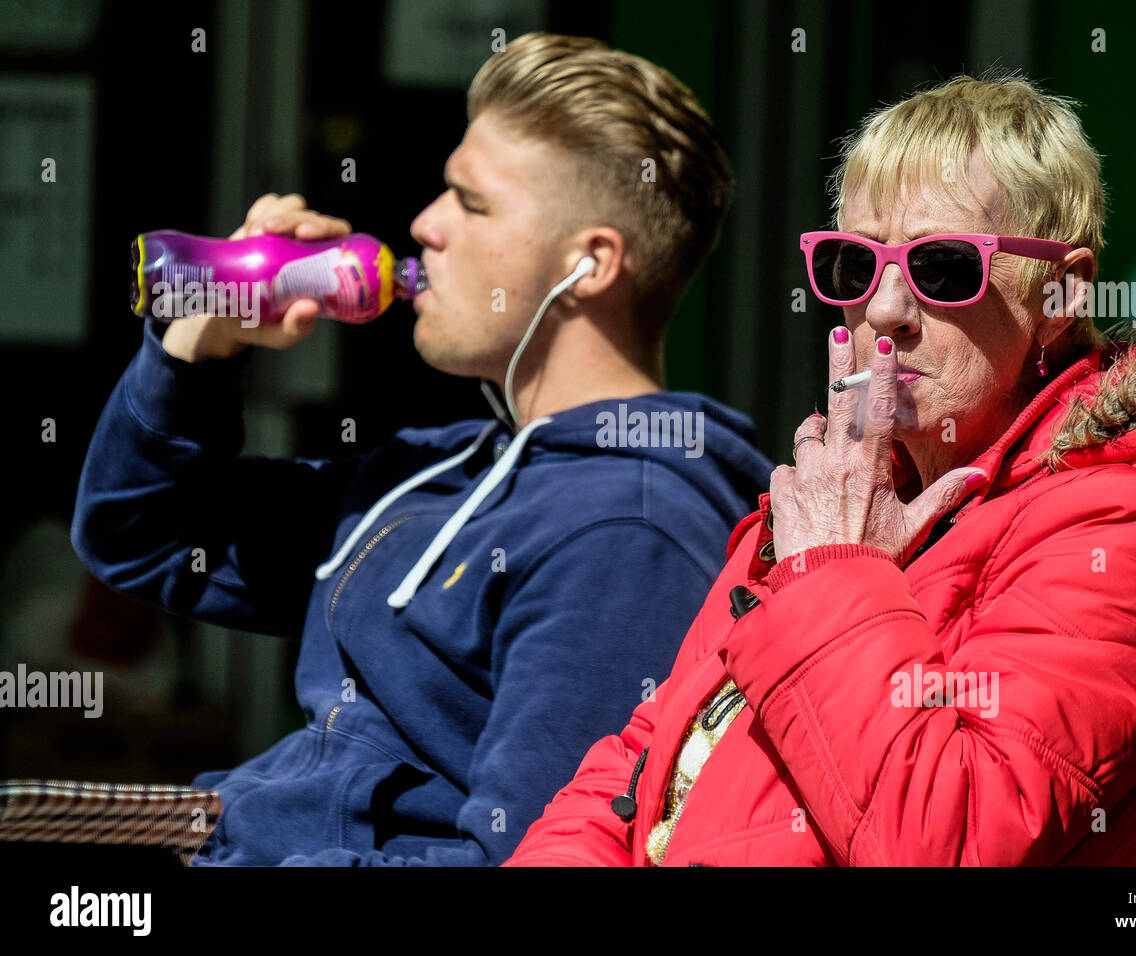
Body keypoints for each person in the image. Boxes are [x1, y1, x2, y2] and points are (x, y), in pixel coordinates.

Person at [504, 73, 1136, 867]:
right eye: (853, 265)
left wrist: (835, 573)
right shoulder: (844, 491)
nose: (883, 309)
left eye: (942, 269)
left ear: (1063, 291)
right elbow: (642, 763)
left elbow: (954, 839)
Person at [70, 32, 771, 866]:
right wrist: (198, 348)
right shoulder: (439, 473)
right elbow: (141, 535)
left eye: (470, 203)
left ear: (589, 264)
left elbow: (523, 857)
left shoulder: (627, 537)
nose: (422, 224)